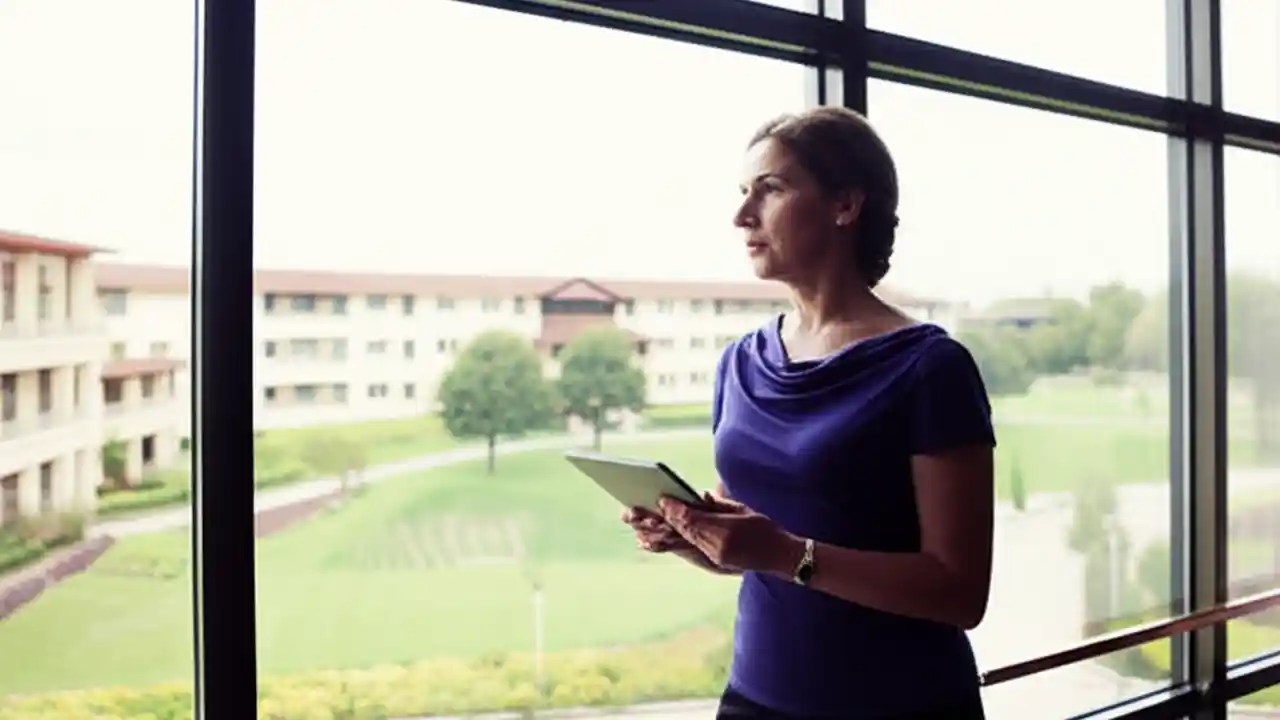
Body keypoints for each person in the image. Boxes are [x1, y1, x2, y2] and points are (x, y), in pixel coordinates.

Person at [622, 107, 996, 719]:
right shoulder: (740, 363)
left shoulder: (930, 368)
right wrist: (690, 536)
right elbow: (754, 546)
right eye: (744, 193)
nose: (742, 216)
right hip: (755, 700)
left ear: (845, 205)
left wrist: (781, 552)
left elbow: (960, 593)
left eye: (770, 189)